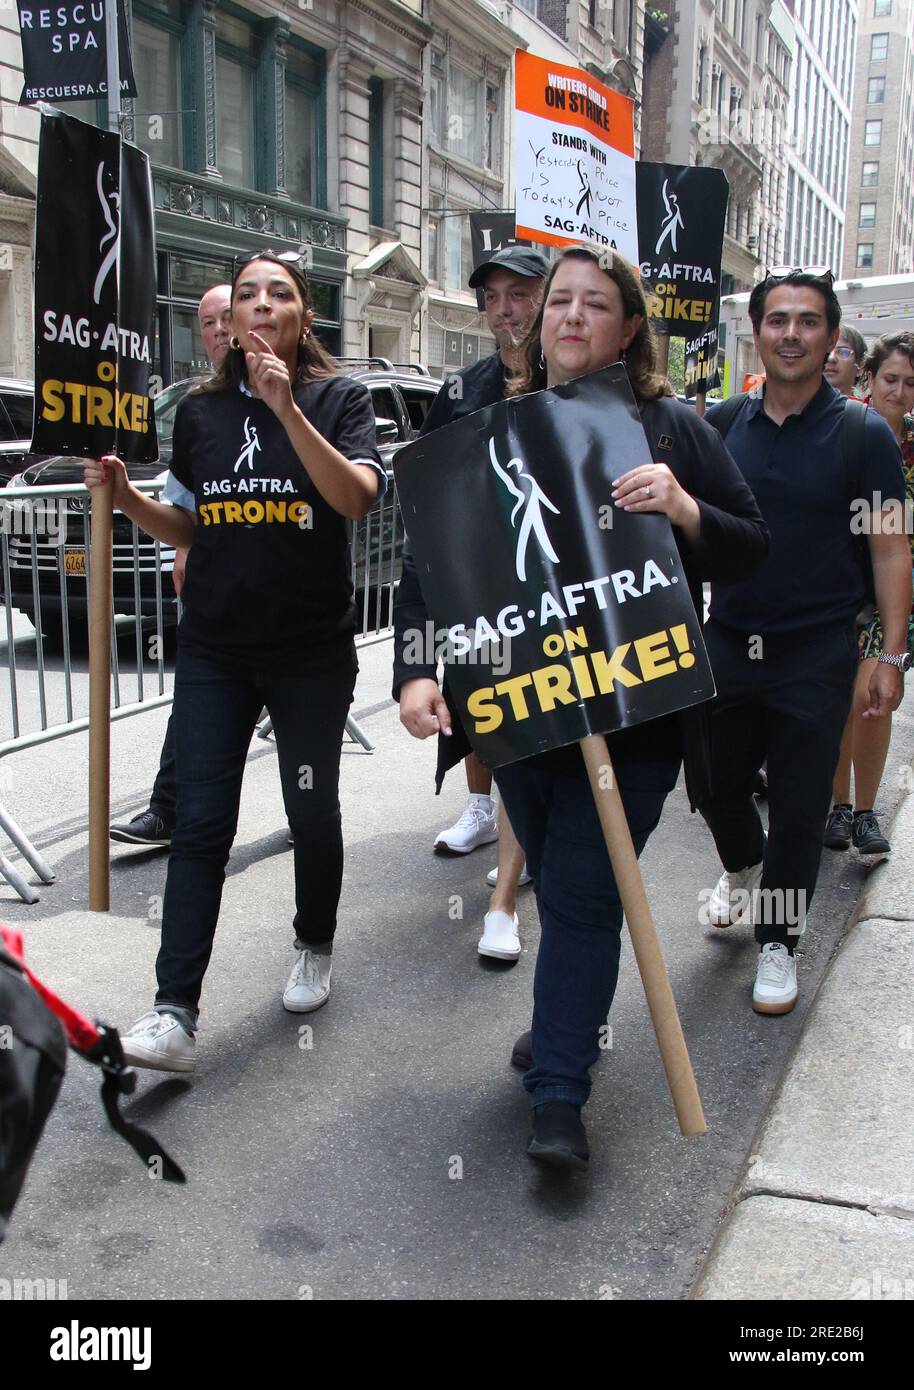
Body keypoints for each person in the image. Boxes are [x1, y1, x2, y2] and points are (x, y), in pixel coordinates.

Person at [398, 245, 768, 1166]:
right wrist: (414, 674)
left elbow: (752, 546)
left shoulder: (673, 429)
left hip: (637, 719)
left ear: (629, 327)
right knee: (564, 891)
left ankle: (559, 1091)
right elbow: (428, 565)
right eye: (558, 300)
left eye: (594, 304)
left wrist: (685, 510)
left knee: (590, 892)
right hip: (520, 712)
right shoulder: (491, 422)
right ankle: (564, 1026)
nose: (568, 317)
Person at [84, 252, 386, 1072]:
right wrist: (127, 496)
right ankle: (174, 1012)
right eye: (246, 294)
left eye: (277, 295)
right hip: (217, 649)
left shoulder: (338, 399)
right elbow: (193, 528)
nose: (258, 307)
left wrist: (288, 411)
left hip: (308, 655)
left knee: (310, 809)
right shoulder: (203, 413)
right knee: (202, 826)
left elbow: (354, 498)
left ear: (303, 317)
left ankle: (313, 942)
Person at [700, 269, 911, 1016]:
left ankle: (780, 942)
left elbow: (890, 548)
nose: (792, 332)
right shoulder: (721, 424)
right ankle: (742, 862)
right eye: (778, 319)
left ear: (831, 337)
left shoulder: (863, 433)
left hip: (819, 654)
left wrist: (889, 655)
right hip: (726, 643)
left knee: (796, 805)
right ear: (758, 330)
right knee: (712, 784)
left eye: (809, 321)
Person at [396, 245, 547, 961]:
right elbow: (426, 515)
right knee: (488, 727)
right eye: (493, 297)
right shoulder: (461, 390)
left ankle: (504, 900)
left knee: (529, 746)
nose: (506, 310)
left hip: (559, 602)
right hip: (480, 603)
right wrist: (415, 660)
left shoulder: (578, 383)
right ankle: (485, 813)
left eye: (520, 293)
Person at [109, 283, 233, 848]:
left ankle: (305, 813)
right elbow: (186, 503)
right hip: (215, 599)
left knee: (297, 721)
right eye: (205, 322)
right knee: (192, 701)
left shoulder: (299, 397)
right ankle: (170, 809)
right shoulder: (197, 408)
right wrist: (184, 547)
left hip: (290, 609)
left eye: (225, 317)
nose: (216, 332)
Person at [826, 331, 914, 854]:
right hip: (840, 589)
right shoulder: (845, 430)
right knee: (841, 699)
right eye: (891, 379)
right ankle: (837, 805)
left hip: (896, 595)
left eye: (910, 383)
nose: (900, 392)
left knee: (872, 699)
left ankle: (865, 811)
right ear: (870, 378)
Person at [823, 323, 867, 399]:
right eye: (825, 350)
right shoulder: (798, 407)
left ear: (860, 367)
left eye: (843, 352)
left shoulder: (864, 410)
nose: (831, 358)